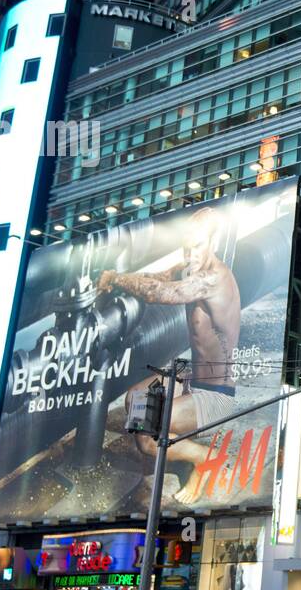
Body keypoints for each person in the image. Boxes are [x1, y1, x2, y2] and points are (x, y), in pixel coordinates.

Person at [98, 206, 243, 506]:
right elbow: (159, 277)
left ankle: (206, 458)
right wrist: (118, 279)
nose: (190, 255)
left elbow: (158, 293)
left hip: (216, 395)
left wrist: (114, 277)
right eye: (186, 248)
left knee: (146, 435)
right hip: (192, 379)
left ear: (213, 244)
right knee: (136, 398)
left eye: (198, 247)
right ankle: (175, 452)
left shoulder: (213, 279)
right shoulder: (193, 267)